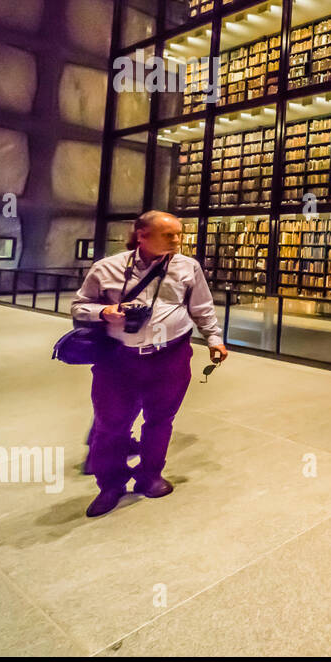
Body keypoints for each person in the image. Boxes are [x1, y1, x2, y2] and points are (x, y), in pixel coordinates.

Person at [71, 210, 229, 518]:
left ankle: (150, 475)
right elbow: (79, 305)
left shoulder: (187, 267)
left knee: (161, 420)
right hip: (118, 358)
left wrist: (214, 338)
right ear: (142, 235)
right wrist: (105, 313)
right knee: (111, 424)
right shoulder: (107, 268)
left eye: (179, 234)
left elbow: (202, 306)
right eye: (169, 234)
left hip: (170, 354)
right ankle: (110, 485)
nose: (177, 239)